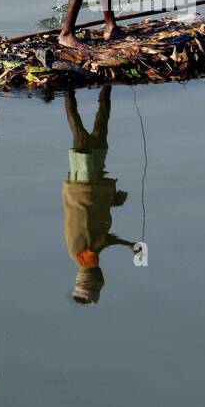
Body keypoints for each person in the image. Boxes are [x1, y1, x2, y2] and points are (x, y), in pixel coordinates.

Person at [62, 86, 135, 304]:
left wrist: (111, 202)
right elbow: (101, 233)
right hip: (92, 185)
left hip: (84, 185)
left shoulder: (84, 257)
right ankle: (105, 86)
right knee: (100, 127)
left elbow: (92, 224)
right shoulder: (85, 253)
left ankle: (68, 91)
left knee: (80, 133)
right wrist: (127, 243)